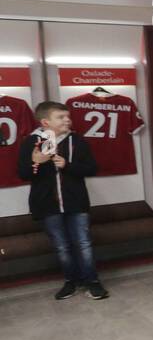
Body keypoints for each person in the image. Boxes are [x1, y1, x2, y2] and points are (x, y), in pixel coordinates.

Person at [16, 100, 108, 300]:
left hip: (76, 202)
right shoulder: (31, 142)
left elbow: (92, 169)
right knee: (61, 246)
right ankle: (71, 282)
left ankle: (92, 281)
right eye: (61, 117)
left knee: (83, 243)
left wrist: (68, 165)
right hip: (47, 205)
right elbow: (23, 174)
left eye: (68, 116)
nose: (68, 120)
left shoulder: (78, 141)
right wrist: (36, 163)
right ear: (45, 122)